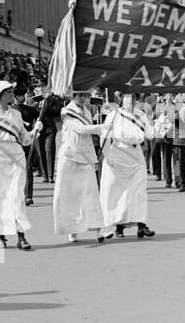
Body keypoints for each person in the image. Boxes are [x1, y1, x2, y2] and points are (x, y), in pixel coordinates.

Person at [0, 80, 34, 249]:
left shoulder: (16, 114)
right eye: (9, 92)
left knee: (17, 197)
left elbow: (24, 139)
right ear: (0, 95)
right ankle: (1, 236)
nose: (12, 95)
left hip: (16, 157)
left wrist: (34, 132)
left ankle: (21, 236)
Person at [98, 91, 155, 240]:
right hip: (118, 154)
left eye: (133, 96)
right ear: (120, 98)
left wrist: (156, 128)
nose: (130, 99)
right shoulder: (114, 115)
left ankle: (142, 224)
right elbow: (104, 135)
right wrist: (106, 154)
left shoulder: (141, 115)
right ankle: (119, 225)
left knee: (139, 191)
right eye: (126, 96)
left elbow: (149, 133)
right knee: (119, 192)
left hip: (136, 155)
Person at [53, 90, 104, 242]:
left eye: (85, 96)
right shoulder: (66, 111)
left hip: (85, 156)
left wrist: (103, 132)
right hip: (69, 156)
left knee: (91, 193)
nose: (83, 99)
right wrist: (101, 127)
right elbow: (81, 129)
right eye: (80, 95)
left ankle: (99, 230)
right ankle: (72, 230)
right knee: (69, 194)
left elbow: (89, 134)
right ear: (73, 96)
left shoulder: (87, 112)